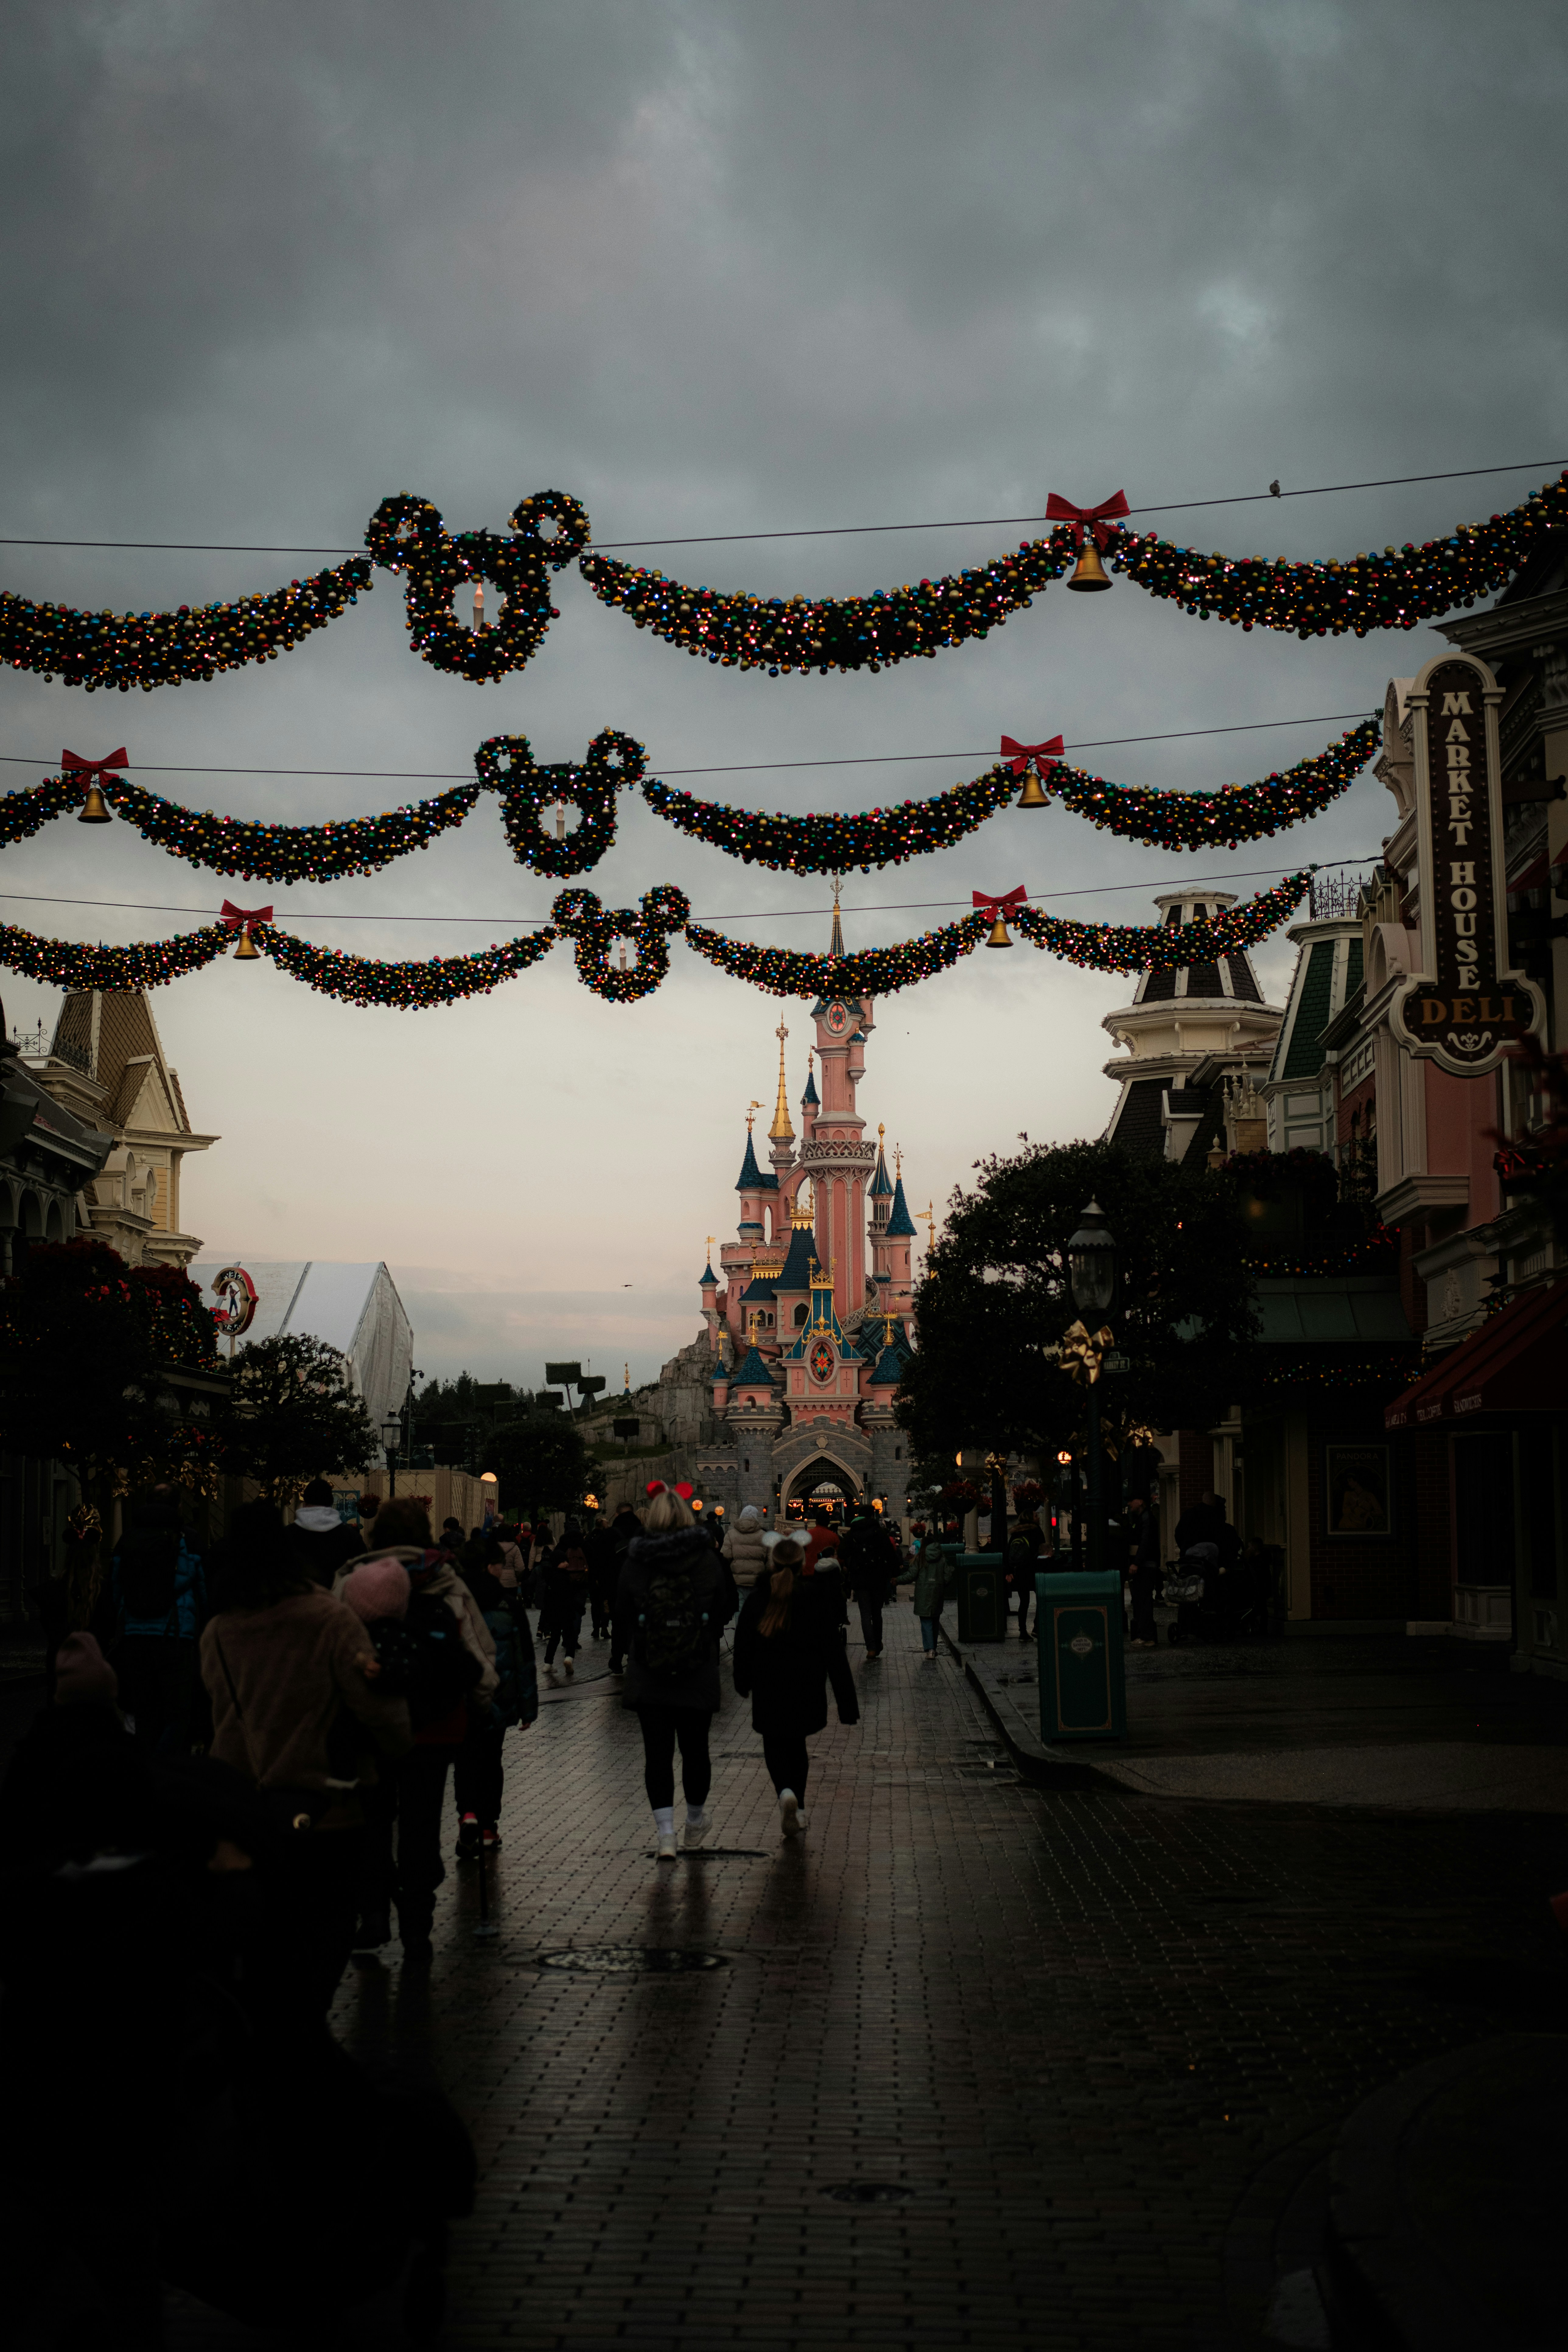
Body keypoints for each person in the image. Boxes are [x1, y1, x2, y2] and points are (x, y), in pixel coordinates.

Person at [201, 1500, 412, 2013]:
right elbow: (374, 1708)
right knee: (322, 1938)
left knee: (260, 1944)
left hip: (242, 1806)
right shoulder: (327, 1617)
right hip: (324, 1806)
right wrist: (395, 1746)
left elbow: (215, 1709)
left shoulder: (219, 1632)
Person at [333, 1495, 497, 1963]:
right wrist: (483, 1703)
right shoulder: (444, 1579)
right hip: (435, 1724)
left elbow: (336, 1646)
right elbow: (476, 1648)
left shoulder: (349, 1578)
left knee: (373, 1821)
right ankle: (417, 1926)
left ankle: (375, 1913)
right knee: (422, 1825)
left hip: (370, 1722)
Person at [615, 1482, 735, 1858]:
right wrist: (705, 1632)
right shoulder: (705, 1558)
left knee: (657, 1754)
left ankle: (665, 1835)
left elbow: (620, 1613)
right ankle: (695, 1822)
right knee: (696, 1750)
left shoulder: (635, 1560)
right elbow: (726, 1604)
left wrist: (641, 1638)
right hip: (696, 1666)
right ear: (687, 1517)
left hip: (649, 1668)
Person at [732, 1533, 859, 1837]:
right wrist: (846, 1703)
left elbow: (743, 1645)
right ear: (803, 1562)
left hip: (768, 1686)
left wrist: (742, 1682)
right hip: (806, 1685)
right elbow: (833, 1654)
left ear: (772, 1562)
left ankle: (785, 1793)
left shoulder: (757, 1599)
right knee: (797, 1745)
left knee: (774, 1743)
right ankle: (799, 1806)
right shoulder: (814, 1598)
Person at [111, 1484, 208, 1755]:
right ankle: (163, 1767)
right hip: (176, 1633)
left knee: (145, 1710)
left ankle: (145, 1768)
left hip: (135, 1634)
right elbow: (203, 1590)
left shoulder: (127, 1540)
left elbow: (117, 1588)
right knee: (178, 1713)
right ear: (179, 1507)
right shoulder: (189, 1539)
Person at [454, 1547, 539, 1854]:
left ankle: (468, 1815)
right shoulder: (508, 1604)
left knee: (465, 1759)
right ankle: (489, 1828)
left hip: (462, 1694)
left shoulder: (453, 1601)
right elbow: (524, 1657)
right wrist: (528, 1707)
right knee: (492, 1761)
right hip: (499, 1695)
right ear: (491, 1568)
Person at [839, 1505, 896, 1659]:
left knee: (865, 1614)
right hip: (878, 1577)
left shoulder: (852, 1533)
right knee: (877, 1613)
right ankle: (878, 1644)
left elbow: (843, 1553)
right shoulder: (880, 1532)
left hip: (860, 1577)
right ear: (873, 1516)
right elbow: (891, 1554)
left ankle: (871, 1648)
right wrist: (893, 1574)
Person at [286, 1477, 365, 1587]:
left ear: (305, 1502)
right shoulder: (351, 1536)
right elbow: (363, 1573)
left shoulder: (286, 1535)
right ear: (330, 1503)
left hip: (298, 1599)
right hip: (338, 1599)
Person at [541, 1517, 590, 1681]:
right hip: (567, 1613)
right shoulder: (565, 1580)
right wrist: (579, 1608)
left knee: (554, 1639)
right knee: (570, 1637)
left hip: (554, 1615)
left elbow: (547, 1600)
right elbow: (569, 1598)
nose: (567, 1564)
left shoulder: (552, 1578)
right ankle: (569, 1659)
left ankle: (548, 1664)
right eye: (565, 1562)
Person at [607, 1500, 642, 1672]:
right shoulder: (643, 1533)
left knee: (618, 1624)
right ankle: (633, 1656)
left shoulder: (610, 1535)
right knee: (637, 1622)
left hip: (616, 1586)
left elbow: (601, 1564)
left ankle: (617, 1658)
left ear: (617, 1514)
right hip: (639, 1586)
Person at [911, 1535, 955, 1661]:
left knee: (926, 1621)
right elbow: (947, 1577)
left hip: (924, 1594)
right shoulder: (942, 1558)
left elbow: (911, 1575)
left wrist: (897, 1581)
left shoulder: (920, 1559)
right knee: (935, 1621)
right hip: (937, 1594)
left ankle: (930, 1649)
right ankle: (934, 1648)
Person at [1125, 1495, 1161, 1647]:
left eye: (1132, 1501)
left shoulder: (1145, 1519)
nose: (1129, 1504)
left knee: (1143, 1600)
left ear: (1140, 1501)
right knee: (1143, 1599)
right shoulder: (1145, 1518)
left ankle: (1147, 1636)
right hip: (1146, 1564)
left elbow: (1144, 1542)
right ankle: (1146, 1635)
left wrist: (1136, 1563)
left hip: (1145, 1565)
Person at [1005, 1511, 1044, 1642]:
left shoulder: (1016, 1533)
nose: (1039, 1517)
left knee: (1024, 1602)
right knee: (1042, 1598)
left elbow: (1009, 1551)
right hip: (1034, 1570)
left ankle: (1023, 1632)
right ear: (1031, 1519)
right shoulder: (1036, 1531)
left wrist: (1009, 1571)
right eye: (1036, 1516)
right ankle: (1037, 1628)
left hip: (1019, 1572)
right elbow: (1042, 1550)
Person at [586, 1513, 618, 1640]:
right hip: (604, 1574)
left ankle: (596, 1628)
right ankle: (604, 1628)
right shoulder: (606, 1539)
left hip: (592, 1575)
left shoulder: (589, 1538)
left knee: (595, 1603)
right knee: (605, 1602)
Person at [722, 1502, 769, 1590]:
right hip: (758, 1581)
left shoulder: (731, 1534)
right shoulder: (765, 1536)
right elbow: (770, 1560)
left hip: (737, 1581)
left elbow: (725, 1557)